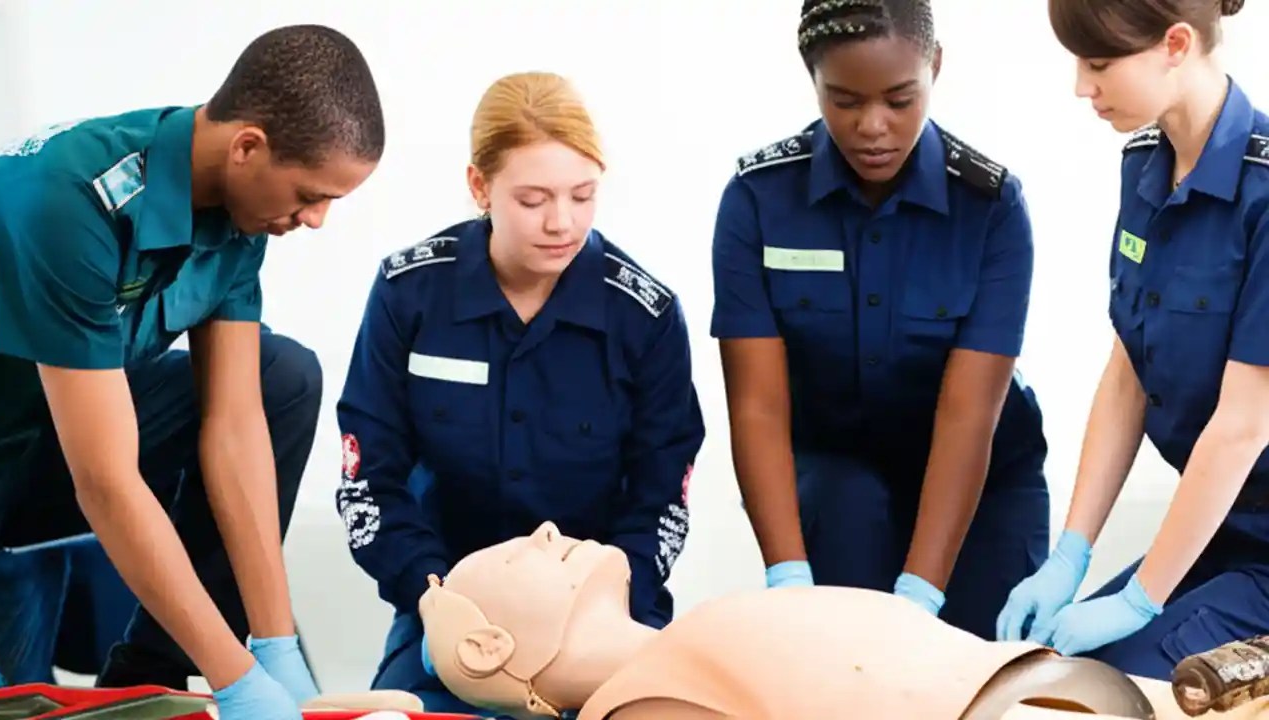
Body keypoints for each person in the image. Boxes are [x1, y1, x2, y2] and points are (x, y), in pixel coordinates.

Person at [0, 23, 384, 719]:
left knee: (281, 377)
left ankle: (147, 670)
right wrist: (237, 682)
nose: (317, 218)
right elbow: (106, 481)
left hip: (42, 436)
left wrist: (273, 646)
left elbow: (234, 427)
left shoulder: (241, 211)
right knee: (13, 703)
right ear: (248, 146)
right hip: (25, 450)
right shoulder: (69, 202)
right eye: (311, 193)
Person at [335, 71, 705, 712]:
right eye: (534, 200)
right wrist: (440, 603)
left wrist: (595, 615)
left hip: (601, 615)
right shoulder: (410, 294)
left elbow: (660, 503)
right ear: (480, 185)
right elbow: (369, 483)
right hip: (446, 608)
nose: (563, 223)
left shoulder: (644, 316)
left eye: (583, 196)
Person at [709, 0, 1050, 640]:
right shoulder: (757, 199)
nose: (873, 127)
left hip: (979, 477)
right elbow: (756, 405)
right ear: (812, 78)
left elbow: (968, 411)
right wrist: (787, 573)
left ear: (935, 67)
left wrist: (919, 598)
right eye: (844, 101)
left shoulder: (991, 206)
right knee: (844, 659)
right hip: (835, 471)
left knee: (977, 673)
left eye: (899, 100)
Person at [996, 0, 1269, 681]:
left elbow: (1241, 427)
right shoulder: (1145, 165)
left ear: (1175, 44)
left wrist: (1142, 599)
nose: (1081, 87)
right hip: (1220, 532)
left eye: (1098, 63)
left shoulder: (1264, 194)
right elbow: (1128, 372)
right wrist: (1070, 556)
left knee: (1119, 681)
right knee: (1048, 666)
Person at [415, 522, 1264, 720]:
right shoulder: (635, 704)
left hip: (1032, 676)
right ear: (490, 645)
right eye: (515, 554)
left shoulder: (687, 640)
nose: (548, 531)